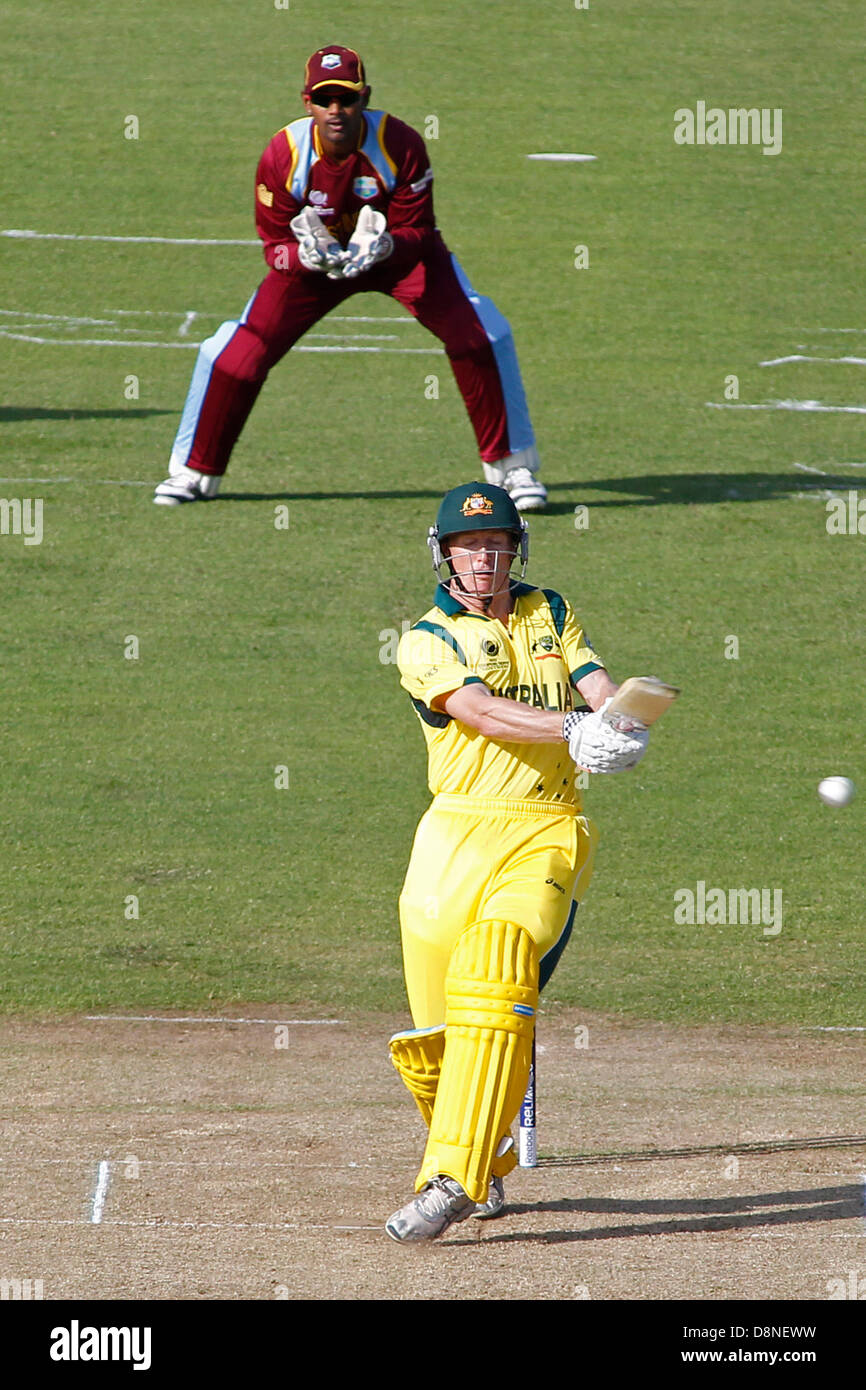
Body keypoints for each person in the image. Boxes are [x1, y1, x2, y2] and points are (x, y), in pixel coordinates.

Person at [386, 481, 651, 1242]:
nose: (485, 559)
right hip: (451, 838)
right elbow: (478, 709)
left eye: (498, 545)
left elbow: (594, 680)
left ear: (515, 551)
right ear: (444, 556)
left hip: (544, 829)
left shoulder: (551, 610)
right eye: (471, 547)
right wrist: (572, 727)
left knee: (496, 967)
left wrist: (617, 719)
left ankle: (452, 1182)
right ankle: (486, 1151)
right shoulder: (427, 639)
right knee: (440, 1038)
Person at [153, 45, 547, 511]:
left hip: (396, 259)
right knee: (236, 355)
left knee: (481, 334)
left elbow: (420, 231)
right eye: (325, 100)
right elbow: (273, 249)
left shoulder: (399, 144)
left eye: (347, 99)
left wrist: (384, 247)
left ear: (366, 97)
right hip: (317, 268)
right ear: (307, 103)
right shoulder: (284, 155)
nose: (336, 111)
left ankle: (512, 470)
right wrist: (307, 258)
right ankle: (193, 472)